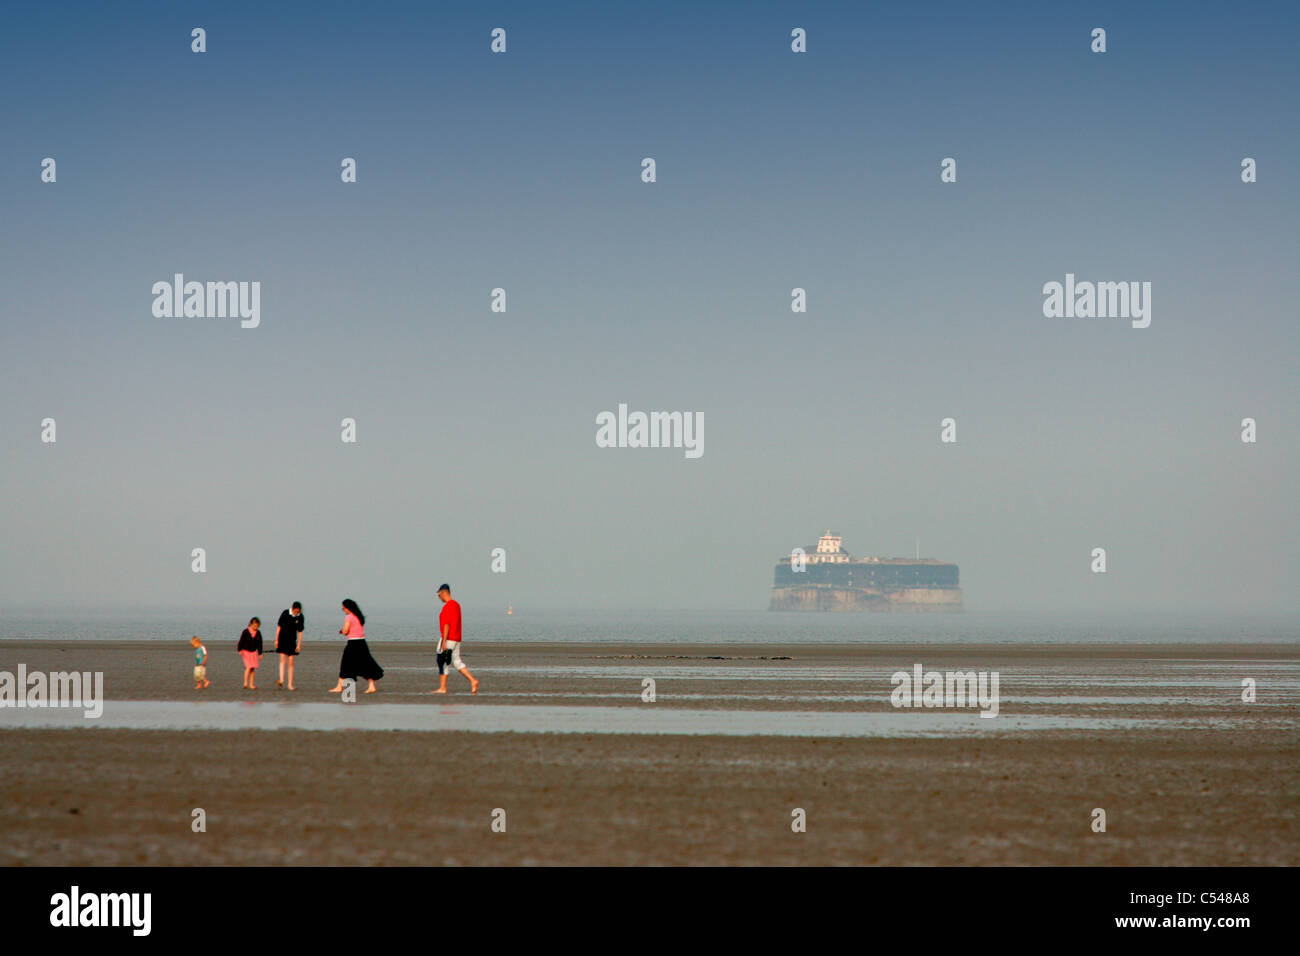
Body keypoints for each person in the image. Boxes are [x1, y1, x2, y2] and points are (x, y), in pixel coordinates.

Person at [329, 599, 383, 694]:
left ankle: (339, 687)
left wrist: (342, 631)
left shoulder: (349, 617)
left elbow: (345, 631)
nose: (343, 610)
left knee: (345, 664)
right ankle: (371, 686)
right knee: (366, 664)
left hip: (353, 644)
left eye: (344, 608)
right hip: (362, 643)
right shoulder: (359, 616)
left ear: (348, 608)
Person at [433, 584, 478, 695]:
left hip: (448, 638)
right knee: (456, 661)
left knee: (442, 661)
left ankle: (443, 688)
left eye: (439, 595)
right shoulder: (457, 605)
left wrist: (444, 640)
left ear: (444, 593)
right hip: (456, 638)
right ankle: (473, 680)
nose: (439, 598)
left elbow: (446, 624)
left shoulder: (448, 606)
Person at [275, 601, 305, 690]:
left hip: (292, 641)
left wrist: (299, 645)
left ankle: (290, 685)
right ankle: (281, 680)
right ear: (292, 608)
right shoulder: (285, 613)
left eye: (298, 611)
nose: (296, 612)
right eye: (295, 610)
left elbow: (300, 631)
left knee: (291, 662)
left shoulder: (300, 617)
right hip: (282, 639)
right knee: (282, 659)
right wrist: (276, 639)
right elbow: (279, 626)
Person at [237, 617, 263, 690]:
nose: (256, 627)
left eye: (257, 626)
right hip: (246, 652)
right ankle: (245, 683)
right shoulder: (245, 631)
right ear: (251, 624)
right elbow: (241, 641)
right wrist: (239, 649)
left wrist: (260, 653)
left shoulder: (258, 633)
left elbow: (260, 643)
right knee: (248, 667)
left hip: (254, 652)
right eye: (255, 626)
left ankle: (251, 684)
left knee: (252, 668)